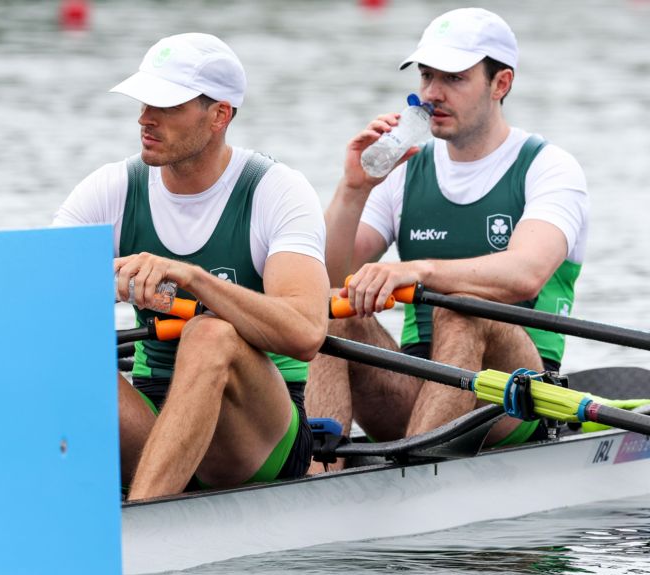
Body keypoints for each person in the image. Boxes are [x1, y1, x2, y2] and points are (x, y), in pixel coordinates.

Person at [307, 8, 590, 473]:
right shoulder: (405, 169)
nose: (432, 93)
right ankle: (318, 476)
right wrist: (353, 189)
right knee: (333, 308)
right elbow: (322, 276)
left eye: (454, 78)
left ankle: (416, 476)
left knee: (461, 306)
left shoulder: (549, 167)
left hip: (516, 397)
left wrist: (417, 270)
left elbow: (526, 273)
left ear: (501, 83)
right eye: (427, 76)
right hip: (414, 385)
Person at [53, 33, 330, 500]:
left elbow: (306, 334)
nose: (145, 118)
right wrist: (95, 287)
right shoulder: (111, 188)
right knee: (53, 343)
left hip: (256, 435)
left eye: (167, 105)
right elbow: (37, 294)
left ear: (219, 115)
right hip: (152, 414)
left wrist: (193, 278)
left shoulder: (276, 191)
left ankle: (144, 522)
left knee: (208, 334)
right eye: (144, 102)